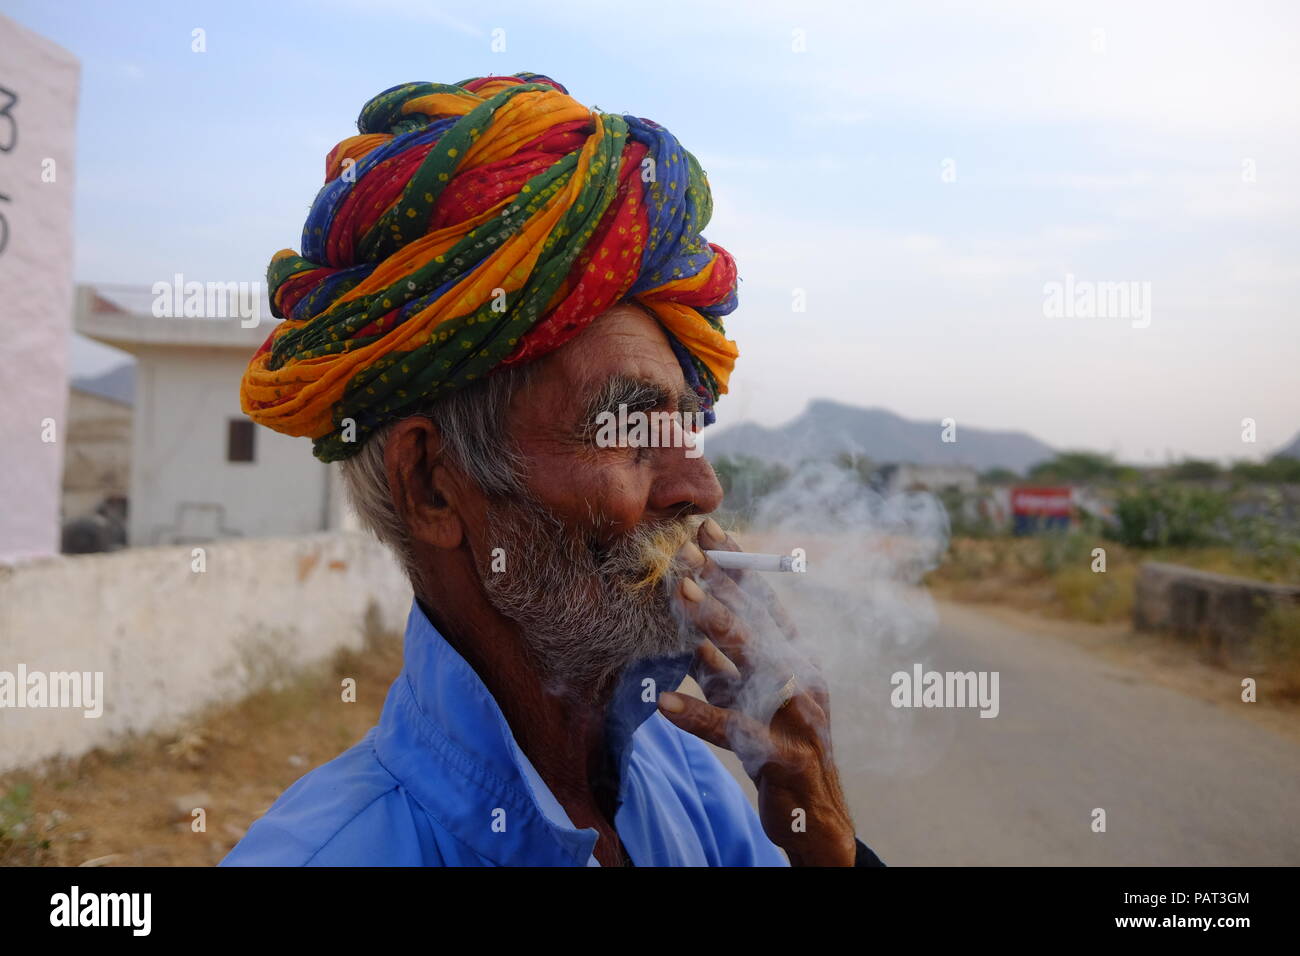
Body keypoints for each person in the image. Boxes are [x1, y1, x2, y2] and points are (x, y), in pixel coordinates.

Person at [222, 73, 882, 867]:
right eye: (627, 428)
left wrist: (826, 841)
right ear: (433, 483)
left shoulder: (688, 787)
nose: (699, 488)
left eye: (688, 425)